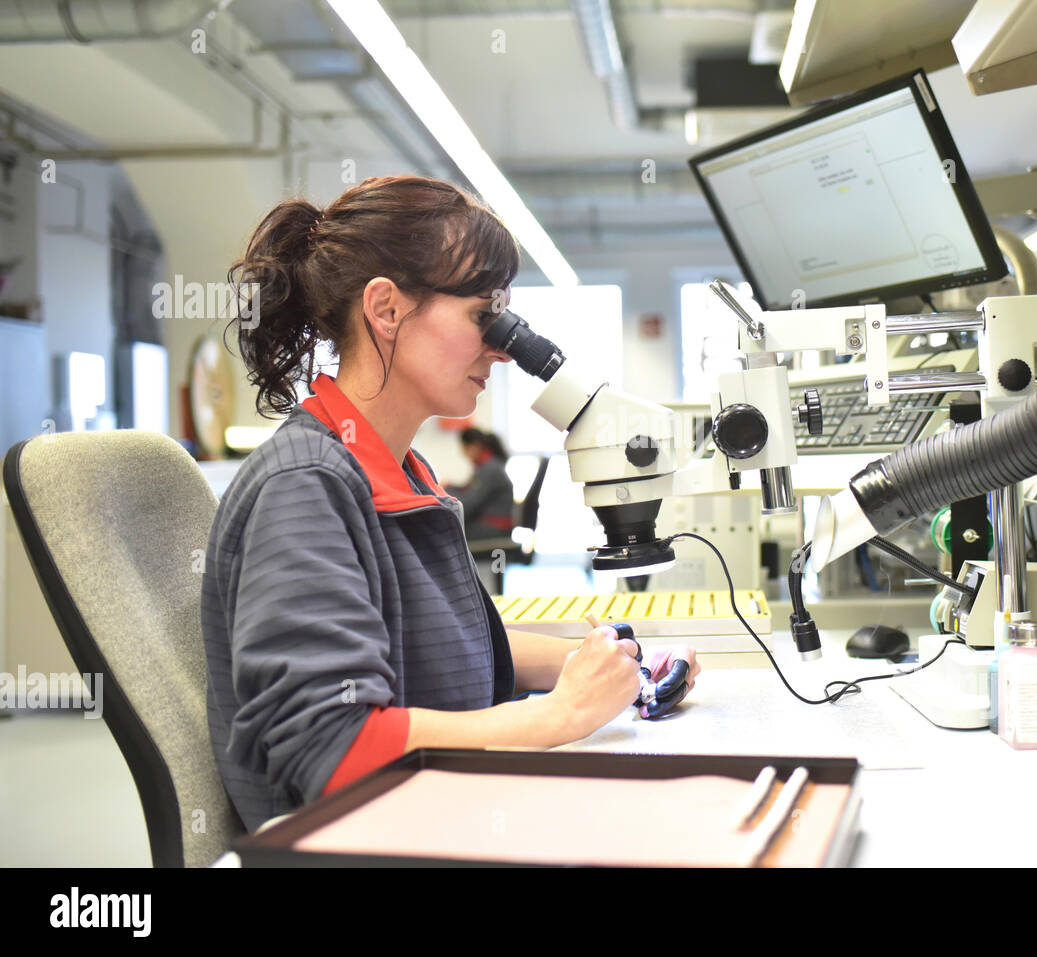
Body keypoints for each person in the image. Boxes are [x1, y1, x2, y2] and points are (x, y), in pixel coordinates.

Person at [201, 176, 699, 832]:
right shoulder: (305, 486)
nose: (500, 347)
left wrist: (614, 658)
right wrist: (560, 716)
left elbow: (462, 647)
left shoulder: (402, 471)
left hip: (430, 815)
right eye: (481, 315)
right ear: (386, 309)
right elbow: (337, 750)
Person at [448, 427, 516, 542]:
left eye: (464, 448)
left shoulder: (489, 469)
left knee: (447, 532)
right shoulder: (488, 465)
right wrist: (449, 488)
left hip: (495, 529)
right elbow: (469, 490)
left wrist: (444, 496)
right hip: (493, 525)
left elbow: (468, 505)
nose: (463, 453)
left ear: (475, 446)